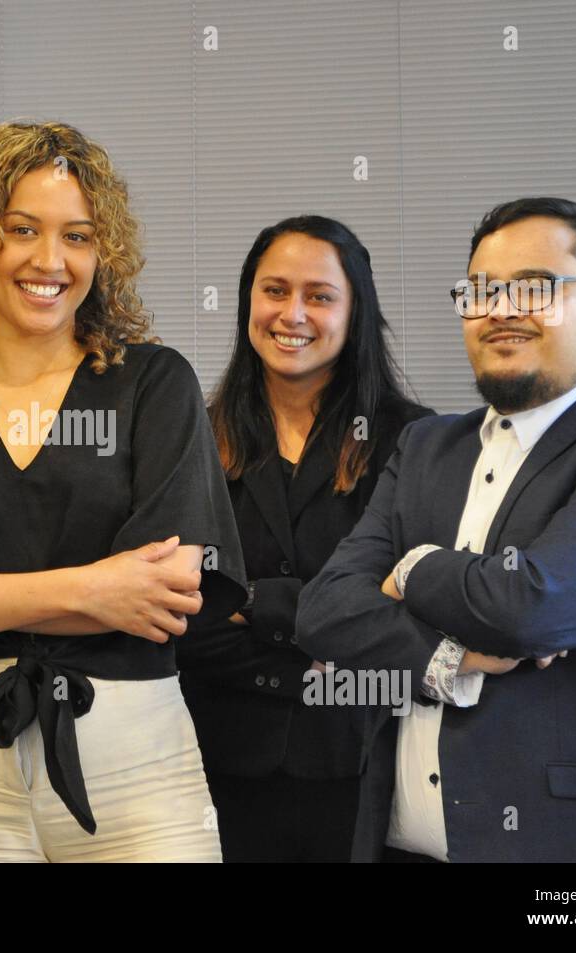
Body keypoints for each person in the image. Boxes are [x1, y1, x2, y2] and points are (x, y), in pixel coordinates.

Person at [0, 120, 247, 862]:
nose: (50, 260)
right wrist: (95, 587)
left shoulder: (154, 384)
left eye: (79, 236)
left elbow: (165, 590)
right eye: (21, 229)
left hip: (136, 759)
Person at [297, 197, 576, 862]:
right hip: (399, 847)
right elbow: (324, 609)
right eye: (481, 290)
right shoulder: (427, 445)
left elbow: (533, 606)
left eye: (534, 287)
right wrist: (448, 656)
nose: (500, 307)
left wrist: (413, 568)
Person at [177, 216, 433, 862]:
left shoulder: (415, 442)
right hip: (215, 771)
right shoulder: (192, 439)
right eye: (274, 290)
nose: (292, 313)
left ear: (354, 312)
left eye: (319, 295)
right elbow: (179, 614)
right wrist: (329, 623)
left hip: (366, 768)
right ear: (247, 303)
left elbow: (411, 610)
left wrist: (251, 600)